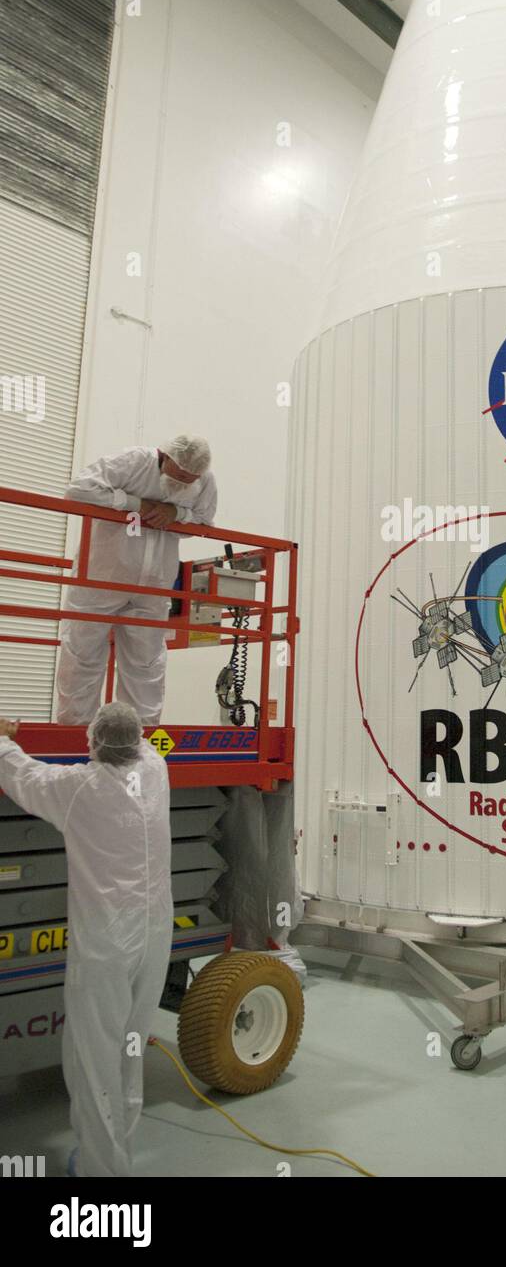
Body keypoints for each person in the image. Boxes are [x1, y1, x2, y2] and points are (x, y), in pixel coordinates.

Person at [0, 704, 172, 1177]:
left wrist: (2, 736)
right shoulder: (157, 773)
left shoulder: (78, 789)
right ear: (137, 742)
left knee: (94, 1062)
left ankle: (100, 1172)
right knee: (130, 1051)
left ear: (92, 743)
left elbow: (21, 774)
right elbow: (141, 745)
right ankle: (119, 1155)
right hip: (155, 939)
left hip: (106, 950)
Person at [56, 436, 217, 725]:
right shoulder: (133, 462)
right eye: (180, 476)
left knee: (146, 663)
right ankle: (72, 733)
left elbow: (205, 521)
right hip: (101, 579)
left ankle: (138, 743)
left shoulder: (204, 480)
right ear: (164, 456)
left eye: (190, 480)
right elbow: (79, 491)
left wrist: (177, 512)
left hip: (153, 586)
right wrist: (133, 504)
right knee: (82, 655)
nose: (184, 484)